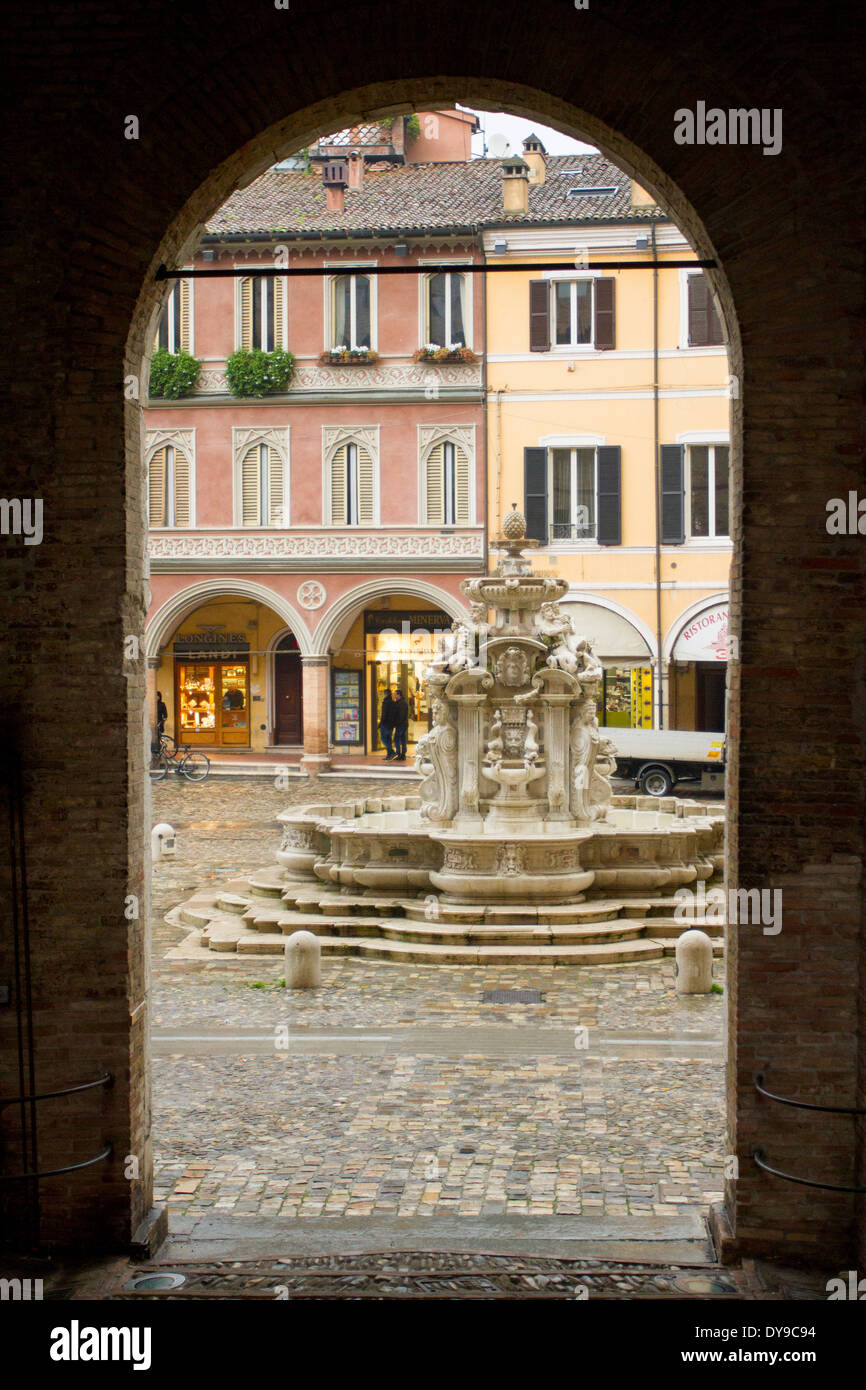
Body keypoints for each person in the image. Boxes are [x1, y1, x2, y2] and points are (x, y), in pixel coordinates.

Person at [379, 687, 396, 760]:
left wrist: (380, 723)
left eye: (384, 694)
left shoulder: (385, 702)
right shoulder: (392, 702)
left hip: (385, 724)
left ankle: (392, 752)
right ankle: (389, 755)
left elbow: (384, 714)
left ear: (385, 694)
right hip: (391, 724)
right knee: (388, 739)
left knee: (383, 739)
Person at [392, 688, 409, 761]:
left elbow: (401, 715)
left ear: (399, 695)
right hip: (401, 724)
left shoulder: (402, 703)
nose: (394, 696)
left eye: (395, 694)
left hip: (401, 724)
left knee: (397, 739)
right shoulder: (400, 702)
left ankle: (400, 754)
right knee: (402, 739)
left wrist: (396, 723)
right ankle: (402, 754)